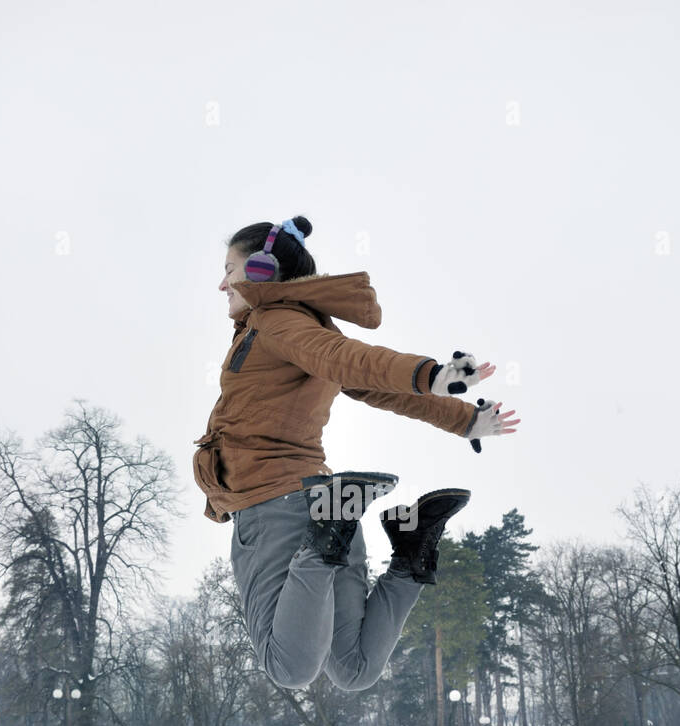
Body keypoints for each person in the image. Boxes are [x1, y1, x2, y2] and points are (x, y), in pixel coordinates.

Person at [193, 216, 520, 692]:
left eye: (230, 269)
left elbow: (352, 363)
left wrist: (429, 374)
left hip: (269, 507)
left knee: (288, 667)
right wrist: (463, 417)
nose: (222, 283)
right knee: (353, 669)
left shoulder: (275, 323)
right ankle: (409, 553)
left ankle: (326, 539)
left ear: (263, 271)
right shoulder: (302, 327)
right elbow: (361, 374)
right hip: (321, 499)